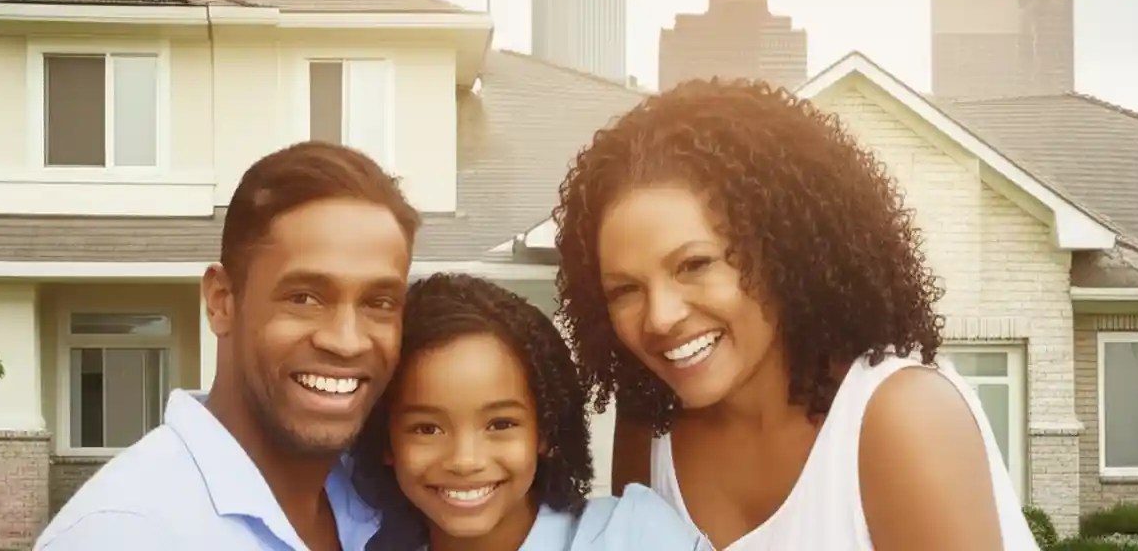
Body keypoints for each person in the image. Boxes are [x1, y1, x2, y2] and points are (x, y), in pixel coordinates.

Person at [550, 79, 1039, 550]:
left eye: (695, 264)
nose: (659, 317)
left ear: (785, 252)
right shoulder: (650, 428)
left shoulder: (901, 418)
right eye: (624, 290)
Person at [36, 141, 421, 550]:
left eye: (379, 303)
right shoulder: (126, 535)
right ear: (221, 301)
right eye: (304, 298)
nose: (346, 341)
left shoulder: (387, 504)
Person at [350, 273, 708, 551]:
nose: (465, 461)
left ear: (545, 431)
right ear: (386, 440)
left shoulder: (633, 536)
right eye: (427, 429)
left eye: (500, 424)